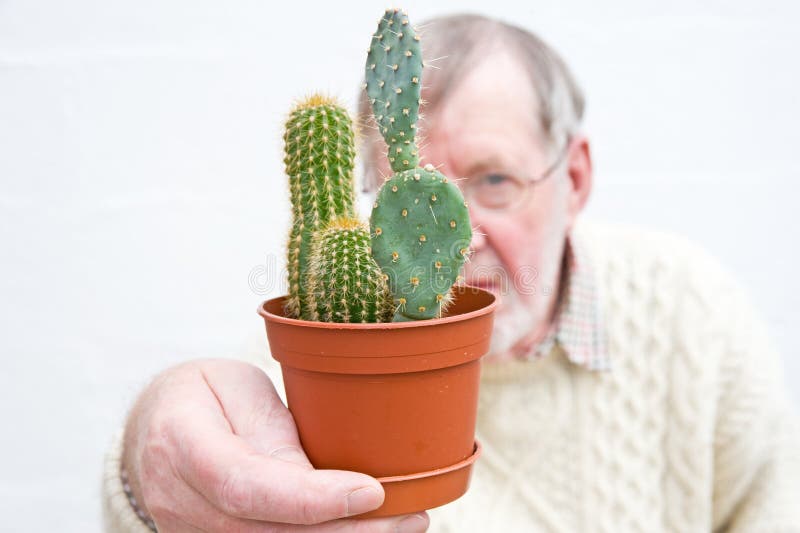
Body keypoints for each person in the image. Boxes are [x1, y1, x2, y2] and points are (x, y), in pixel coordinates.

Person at [102, 13, 800, 533]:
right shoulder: (327, 346)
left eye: (494, 180)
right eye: (408, 197)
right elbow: (198, 480)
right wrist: (144, 462)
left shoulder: (691, 314)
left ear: (575, 178)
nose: (458, 241)